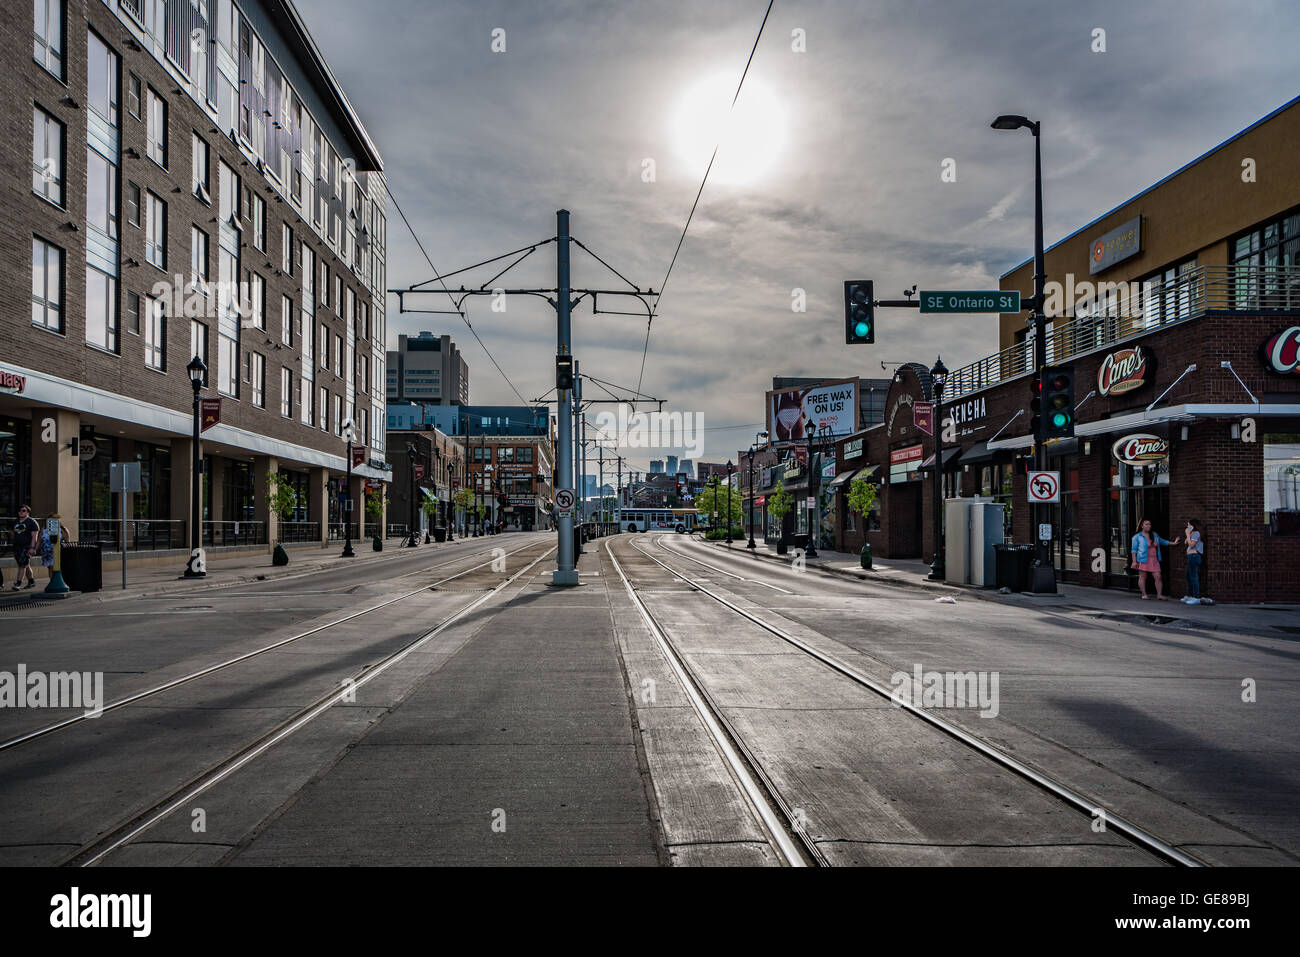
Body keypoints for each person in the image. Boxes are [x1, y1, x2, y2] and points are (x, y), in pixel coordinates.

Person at [1131, 517, 1180, 600]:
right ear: (1142, 526)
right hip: (1143, 559)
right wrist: (1134, 561)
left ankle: (1159, 595)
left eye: (1149, 524)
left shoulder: (1154, 534)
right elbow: (1134, 550)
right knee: (1143, 577)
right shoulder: (1137, 537)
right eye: (1146, 524)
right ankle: (1144, 594)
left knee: (1158, 576)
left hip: (1154, 559)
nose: (1149, 526)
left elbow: (1162, 541)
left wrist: (1174, 543)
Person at [11, 505, 41, 590]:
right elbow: (12, 533)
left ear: (28, 512)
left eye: (23, 510)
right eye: (19, 510)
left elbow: (34, 536)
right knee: (25, 565)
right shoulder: (15, 522)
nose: (21, 512)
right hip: (17, 547)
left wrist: (32, 548)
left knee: (22, 566)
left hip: (26, 547)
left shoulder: (32, 522)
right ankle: (31, 581)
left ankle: (18, 583)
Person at [1182, 519, 1205, 604]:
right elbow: (1185, 542)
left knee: (1193, 576)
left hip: (1194, 556)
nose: (1187, 527)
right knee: (1188, 575)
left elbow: (1191, 545)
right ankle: (1189, 595)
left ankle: (1196, 597)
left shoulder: (1196, 533)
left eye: (1189, 525)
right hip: (1190, 556)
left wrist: (1188, 534)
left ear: (1193, 526)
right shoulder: (1192, 533)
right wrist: (1188, 534)